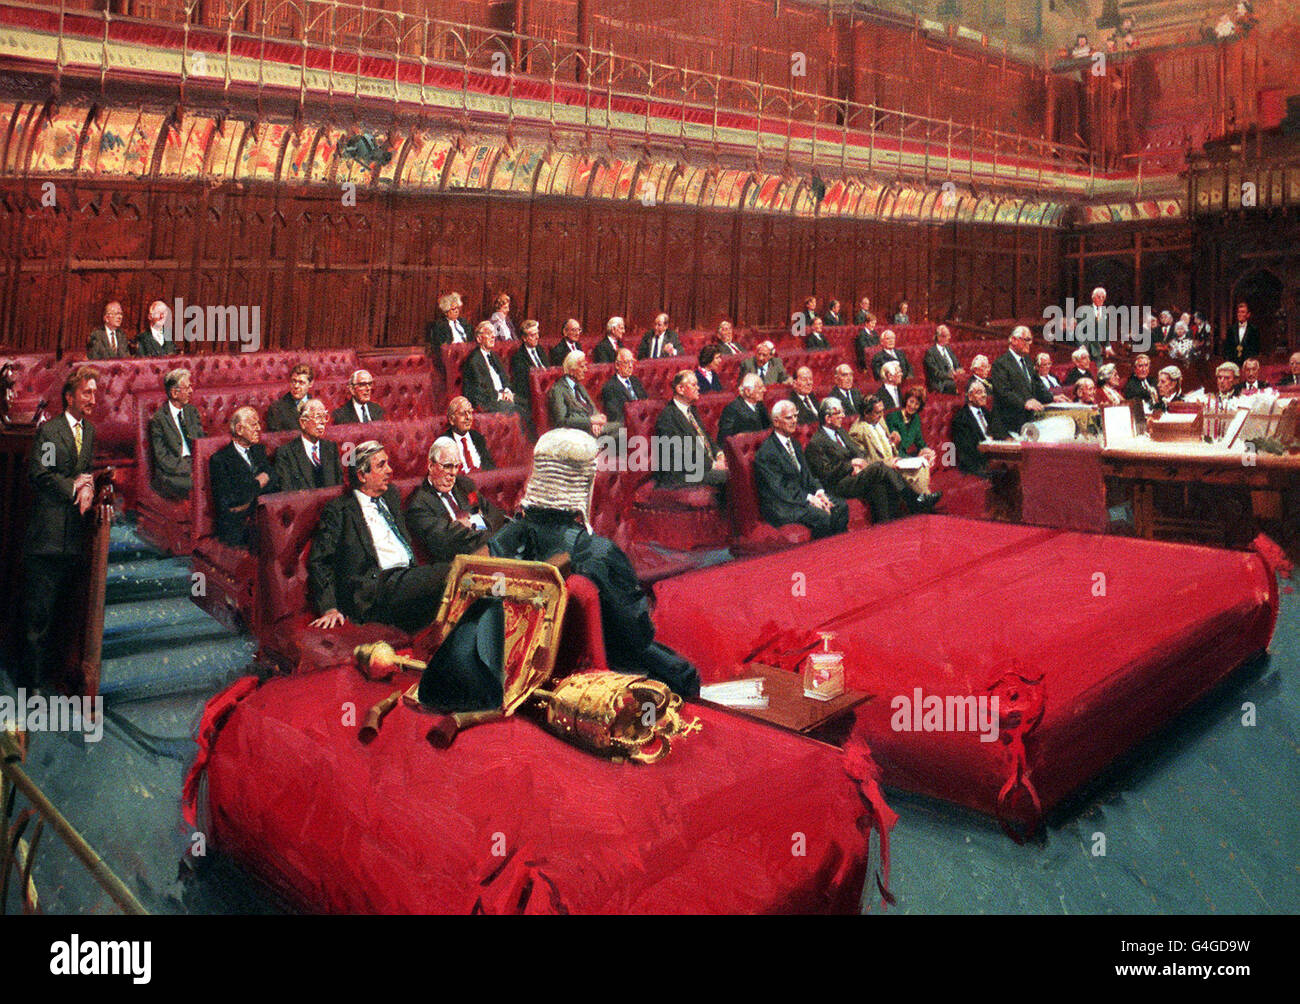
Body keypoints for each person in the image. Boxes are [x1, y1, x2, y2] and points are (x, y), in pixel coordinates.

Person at [489, 429, 701, 697]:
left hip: (516, 677)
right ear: (584, 485)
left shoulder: (501, 542)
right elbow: (638, 635)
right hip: (600, 684)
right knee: (683, 675)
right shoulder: (599, 553)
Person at [308, 441, 450, 634]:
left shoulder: (390, 496)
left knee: (462, 597)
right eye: (381, 465)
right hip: (373, 590)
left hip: (405, 581)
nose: (390, 470)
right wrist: (329, 607)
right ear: (361, 475)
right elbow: (320, 561)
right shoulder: (339, 509)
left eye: (388, 463)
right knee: (454, 572)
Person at [22, 366, 99, 689]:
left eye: (95, 393)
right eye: (86, 393)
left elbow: (84, 471)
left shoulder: (90, 431)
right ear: (69, 397)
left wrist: (88, 486)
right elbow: (41, 474)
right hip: (49, 539)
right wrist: (74, 487)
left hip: (75, 539)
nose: (93, 399)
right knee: (38, 619)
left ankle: (52, 682)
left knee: (63, 620)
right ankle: (29, 688)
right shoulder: (51, 432)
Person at [806, 397, 917, 523]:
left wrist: (859, 466)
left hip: (855, 477)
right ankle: (913, 499)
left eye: (843, 412)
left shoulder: (841, 431)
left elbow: (859, 452)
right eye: (839, 413)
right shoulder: (816, 442)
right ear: (827, 418)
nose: (843, 416)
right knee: (879, 467)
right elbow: (826, 473)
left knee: (878, 485)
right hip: (838, 484)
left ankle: (885, 526)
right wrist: (851, 465)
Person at [752, 400, 848, 539]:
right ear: (776, 422)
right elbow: (780, 489)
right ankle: (822, 555)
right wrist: (809, 499)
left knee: (840, 506)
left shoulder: (795, 444)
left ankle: (841, 549)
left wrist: (819, 493)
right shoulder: (767, 452)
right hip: (782, 505)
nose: (794, 421)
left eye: (795, 416)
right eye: (789, 418)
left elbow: (808, 476)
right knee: (821, 516)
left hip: (799, 498)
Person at [404, 437, 507, 563]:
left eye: (456, 466)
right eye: (447, 466)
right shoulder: (419, 504)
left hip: (490, 549)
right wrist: (496, 540)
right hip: (460, 562)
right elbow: (449, 539)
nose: (453, 473)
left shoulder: (464, 485)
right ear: (431, 465)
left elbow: (493, 514)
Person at [210, 406, 278, 549]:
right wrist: (258, 483)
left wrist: (247, 493)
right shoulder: (220, 459)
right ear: (239, 429)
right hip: (237, 526)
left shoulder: (258, 450)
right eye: (254, 424)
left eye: (259, 423)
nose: (259, 428)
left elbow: (273, 479)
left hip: (261, 517)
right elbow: (229, 504)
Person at [849, 395, 937, 499]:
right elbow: (865, 462)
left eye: (882, 411)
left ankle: (924, 497)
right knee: (916, 470)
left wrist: (895, 443)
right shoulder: (857, 432)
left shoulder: (879, 420)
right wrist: (889, 462)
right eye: (878, 412)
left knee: (923, 463)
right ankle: (921, 500)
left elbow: (889, 444)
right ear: (866, 413)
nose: (882, 415)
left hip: (895, 460)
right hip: (882, 468)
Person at [653, 370, 728, 488]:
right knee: (730, 476)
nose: (698, 388)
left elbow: (705, 438)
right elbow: (685, 455)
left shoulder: (691, 410)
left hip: (701, 466)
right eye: (694, 385)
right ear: (680, 389)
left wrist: (719, 453)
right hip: (681, 475)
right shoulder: (668, 417)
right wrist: (713, 465)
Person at [148, 368, 203, 499]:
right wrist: (189, 470)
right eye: (187, 387)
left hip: (195, 466)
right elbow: (163, 458)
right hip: (171, 474)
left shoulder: (192, 412)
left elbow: (201, 441)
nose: (191, 391)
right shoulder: (159, 419)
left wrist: (199, 467)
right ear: (174, 393)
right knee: (201, 483)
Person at [990, 326, 1051, 434]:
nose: (1030, 343)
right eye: (1026, 339)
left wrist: (1053, 397)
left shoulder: (1027, 360)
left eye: (1030, 340)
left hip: (1027, 421)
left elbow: (1036, 384)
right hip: (1008, 424)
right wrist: (1025, 403)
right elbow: (1004, 392)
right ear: (1014, 340)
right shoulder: (1000, 364)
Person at [273, 398, 343, 492]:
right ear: (303, 423)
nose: (322, 422)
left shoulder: (331, 447)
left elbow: (339, 486)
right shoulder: (285, 452)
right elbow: (287, 492)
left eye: (325, 417)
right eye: (318, 417)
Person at [461, 322, 525, 423]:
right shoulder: (474, 360)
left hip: (502, 396)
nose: (493, 336)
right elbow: (481, 389)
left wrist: (507, 390)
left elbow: (505, 378)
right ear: (479, 339)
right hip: (488, 401)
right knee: (517, 410)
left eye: (493, 333)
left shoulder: (493, 355)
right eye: (488, 333)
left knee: (528, 403)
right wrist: (500, 396)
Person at [548, 351, 609, 437]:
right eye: (582, 366)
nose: (585, 370)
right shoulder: (558, 389)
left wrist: (596, 421)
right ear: (572, 370)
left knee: (623, 428)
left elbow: (591, 406)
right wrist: (590, 421)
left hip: (592, 428)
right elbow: (561, 420)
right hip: (577, 432)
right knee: (623, 431)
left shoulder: (579, 385)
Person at [950, 382, 1002, 476]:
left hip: (994, 458)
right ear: (970, 396)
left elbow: (997, 433)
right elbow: (966, 451)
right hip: (977, 465)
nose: (984, 395)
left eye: (985, 392)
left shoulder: (986, 412)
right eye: (979, 392)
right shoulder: (961, 419)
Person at [716, 373, 771, 444]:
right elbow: (725, 440)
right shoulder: (732, 409)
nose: (764, 390)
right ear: (748, 392)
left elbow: (768, 429)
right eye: (760, 388)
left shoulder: (760, 405)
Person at [446, 396, 496, 473]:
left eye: (470, 413)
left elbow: (490, 468)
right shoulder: (445, 443)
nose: (468, 417)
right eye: (463, 414)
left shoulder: (478, 438)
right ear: (452, 420)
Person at [599, 348, 647, 423]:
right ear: (617, 365)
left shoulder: (635, 381)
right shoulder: (610, 387)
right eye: (626, 362)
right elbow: (616, 416)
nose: (630, 366)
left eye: (632, 362)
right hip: (627, 426)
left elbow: (645, 402)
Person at [886, 386, 934, 459]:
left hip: (907, 457)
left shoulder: (916, 418)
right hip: (894, 457)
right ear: (906, 400)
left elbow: (919, 441)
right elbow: (896, 445)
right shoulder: (892, 417)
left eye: (917, 404)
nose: (913, 406)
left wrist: (926, 450)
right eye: (911, 401)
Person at [266, 364, 315, 432]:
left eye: (301, 382)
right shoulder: (276, 408)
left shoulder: (317, 405)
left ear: (310, 384)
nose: (296, 386)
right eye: (293, 381)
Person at [510, 319, 548, 402]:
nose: (537, 337)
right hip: (533, 393)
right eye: (533, 335)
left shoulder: (540, 349)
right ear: (524, 338)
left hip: (547, 387)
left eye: (537, 333)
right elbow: (524, 383)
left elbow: (548, 368)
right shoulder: (519, 357)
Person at [923, 325, 963, 395]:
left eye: (949, 335)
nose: (949, 338)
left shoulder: (948, 349)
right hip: (940, 382)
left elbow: (957, 364)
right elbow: (935, 373)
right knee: (952, 385)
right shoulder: (931, 352)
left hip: (953, 378)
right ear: (939, 337)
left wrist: (959, 370)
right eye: (946, 336)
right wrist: (949, 375)